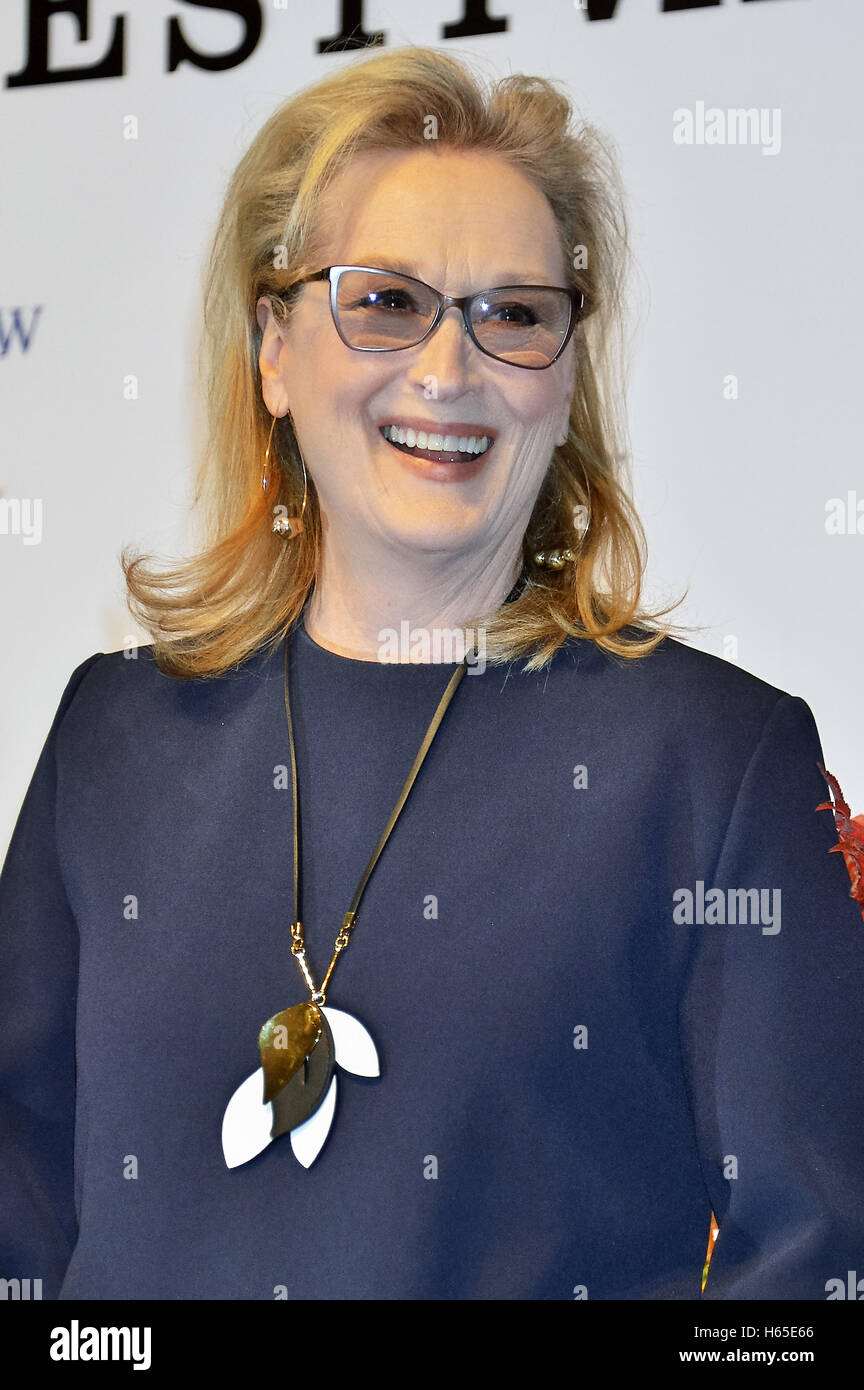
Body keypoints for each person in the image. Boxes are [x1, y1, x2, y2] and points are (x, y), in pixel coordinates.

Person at [1, 44, 861, 1302]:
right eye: (385, 301)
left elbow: (817, 1267)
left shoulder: (718, 767)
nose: (448, 372)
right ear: (274, 351)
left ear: (566, 382)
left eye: (513, 314)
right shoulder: (113, 736)